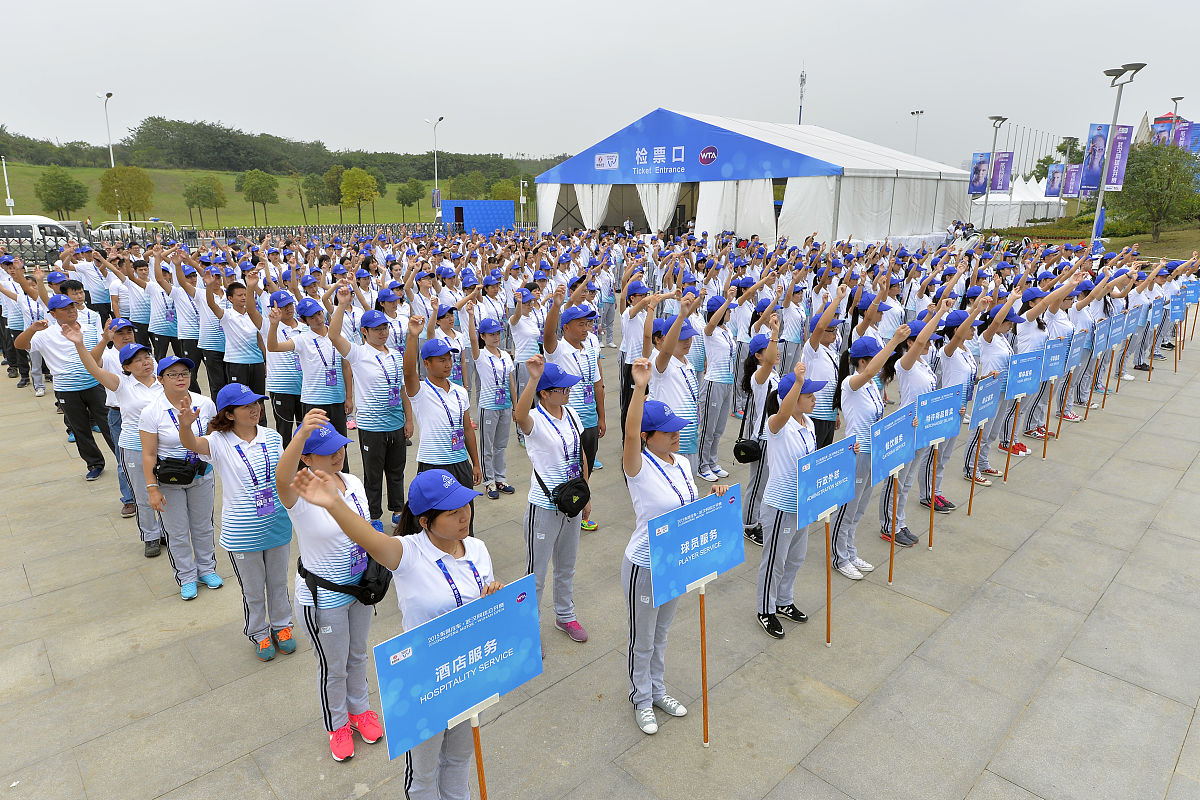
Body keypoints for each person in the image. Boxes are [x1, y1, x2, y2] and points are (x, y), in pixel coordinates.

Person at [288, 466, 499, 798]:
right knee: (424, 775)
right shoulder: (408, 553)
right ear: (426, 521)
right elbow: (368, 538)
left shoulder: (478, 549)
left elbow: (483, 604)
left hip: (467, 673)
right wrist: (334, 503)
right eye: (452, 511)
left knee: (458, 761)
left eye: (466, 506)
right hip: (426, 681)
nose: (464, 516)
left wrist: (493, 598)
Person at [622, 357, 728, 734]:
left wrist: (713, 499)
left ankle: (658, 689)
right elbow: (630, 434)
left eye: (676, 429)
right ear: (648, 437)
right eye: (666, 432)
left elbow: (688, 509)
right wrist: (639, 388)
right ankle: (641, 697)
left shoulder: (683, 463)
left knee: (663, 633)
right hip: (645, 565)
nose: (675, 435)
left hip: (675, 561)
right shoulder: (637, 465)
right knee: (643, 637)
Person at [276, 409, 384, 762]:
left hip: (360, 589)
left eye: (340, 447)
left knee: (356, 653)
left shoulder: (351, 483)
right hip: (324, 597)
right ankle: (337, 725)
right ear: (307, 458)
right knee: (333, 665)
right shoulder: (299, 492)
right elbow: (281, 477)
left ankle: (360, 710)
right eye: (327, 450)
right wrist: (301, 434)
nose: (338, 455)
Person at [177, 383, 295, 662]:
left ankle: (282, 626)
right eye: (246, 406)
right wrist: (185, 427)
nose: (255, 409)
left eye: (257, 403)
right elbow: (192, 445)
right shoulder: (218, 441)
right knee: (253, 588)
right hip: (242, 530)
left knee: (278, 582)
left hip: (276, 522)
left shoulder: (272, 436)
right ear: (229, 414)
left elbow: (284, 473)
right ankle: (259, 632)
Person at [65, 328, 166, 556]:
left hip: (163, 445)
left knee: (168, 490)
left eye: (147, 357)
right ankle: (151, 535)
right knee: (142, 493)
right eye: (137, 361)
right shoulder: (122, 384)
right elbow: (92, 368)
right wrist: (79, 344)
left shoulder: (164, 382)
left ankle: (167, 530)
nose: (145, 363)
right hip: (134, 447)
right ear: (127, 367)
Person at [514, 356, 592, 644]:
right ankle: (528, 630)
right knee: (536, 573)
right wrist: (533, 378)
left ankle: (565, 615)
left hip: (571, 502)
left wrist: (585, 496)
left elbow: (580, 453)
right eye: (562, 389)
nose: (568, 393)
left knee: (567, 566)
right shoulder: (535, 419)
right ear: (545, 393)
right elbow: (519, 416)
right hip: (544, 507)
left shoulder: (571, 413)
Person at [829, 325, 910, 580]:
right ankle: (839, 557)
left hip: (871, 453)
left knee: (860, 507)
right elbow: (872, 371)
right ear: (863, 361)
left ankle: (850, 551)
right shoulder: (850, 383)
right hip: (855, 453)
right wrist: (894, 341)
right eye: (875, 358)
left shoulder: (873, 386)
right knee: (848, 507)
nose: (880, 363)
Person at [329, 293, 414, 530]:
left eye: (385, 327)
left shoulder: (396, 355)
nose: (382, 332)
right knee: (373, 475)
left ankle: (398, 510)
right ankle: (373, 515)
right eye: (376, 329)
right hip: (371, 427)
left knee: (396, 471)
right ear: (364, 331)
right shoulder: (358, 353)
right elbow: (334, 335)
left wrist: (409, 419)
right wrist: (343, 304)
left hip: (396, 424)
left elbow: (402, 389)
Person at [140, 356, 222, 597]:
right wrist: (151, 488)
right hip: (170, 479)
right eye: (173, 374)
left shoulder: (205, 403)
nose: (180, 378)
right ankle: (186, 576)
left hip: (201, 475)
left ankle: (206, 568)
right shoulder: (152, 411)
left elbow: (212, 439)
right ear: (160, 379)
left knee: (203, 525)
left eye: (184, 373)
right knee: (176, 530)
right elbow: (149, 453)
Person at [15, 295, 116, 481]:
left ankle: (122, 458)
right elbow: (19, 344)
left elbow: (97, 358)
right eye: (65, 308)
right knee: (80, 429)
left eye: (73, 306)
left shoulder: (89, 329)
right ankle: (94, 464)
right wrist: (32, 329)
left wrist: (103, 340)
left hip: (94, 384)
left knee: (109, 425)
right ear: (53, 313)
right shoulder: (45, 334)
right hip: (66, 389)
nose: (71, 310)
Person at [756, 360, 822, 638]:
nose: (814, 399)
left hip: (802, 503)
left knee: (796, 557)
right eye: (808, 395)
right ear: (792, 399)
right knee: (775, 560)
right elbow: (782, 413)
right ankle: (765, 609)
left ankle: (784, 601)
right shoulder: (777, 425)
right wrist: (796, 382)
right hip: (780, 505)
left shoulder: (808, 423)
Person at [403, 315, 483, 534]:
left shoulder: (460, 392)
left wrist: (475, 463)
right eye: (441, 359)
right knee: (436, 520)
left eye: (449, 358)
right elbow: (408, 372)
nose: (448, 363)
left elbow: (467, 428)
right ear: (427, 363)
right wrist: (412, 336)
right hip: (433, 464)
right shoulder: (419, 391)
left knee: (465, 516)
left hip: (460, 464)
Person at [544, 288, 607, 531]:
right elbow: (548, 334)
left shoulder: (589, 350)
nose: (585, 328)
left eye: (587, 323)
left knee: (585, 467)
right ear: (566, 327)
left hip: (590, 420)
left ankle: (581, 503)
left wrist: (601, 416)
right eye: (580, 324)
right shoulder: (558, 350)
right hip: (568, 421)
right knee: (569, 466)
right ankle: (569, 508)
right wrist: (556, 305)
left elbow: (598, 384)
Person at [268, 296, 354, 470]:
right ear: (304, 320)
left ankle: (343, 478)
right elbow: (273, 347)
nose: (318, 318)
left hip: (337, 400)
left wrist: (349, 397)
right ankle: (310, 479)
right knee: (315, 446)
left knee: (340, 443)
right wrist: (274, 325)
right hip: (314, 401)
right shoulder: (302, 339)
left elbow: (346, 366)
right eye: (312, 317)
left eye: (319, 313)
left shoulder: (337, 336)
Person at [467, 311, 516, 499]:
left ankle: (501, 478)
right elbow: (472, 339)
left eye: (498, 333)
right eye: (491, 334)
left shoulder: (504, 354)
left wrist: (515, 405)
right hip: (488, 406)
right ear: (483, 336)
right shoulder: (480, 356)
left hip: (504, 406)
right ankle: (489, 482)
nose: (496, 337)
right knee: (487, 446)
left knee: (501, 445)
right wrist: (471, 316)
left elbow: (511, 381)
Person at [262, 290, 304, 447]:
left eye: (290, 304)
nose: (288, 308)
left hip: (303, 387)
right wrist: (252, 286)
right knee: (284, 431)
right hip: (281, 387)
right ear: (274, 308)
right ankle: (285, 467)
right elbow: (252, 311)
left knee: (304, 431)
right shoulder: (269, 325)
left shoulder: (304, 327)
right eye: (283, 306)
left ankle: (303, 466)